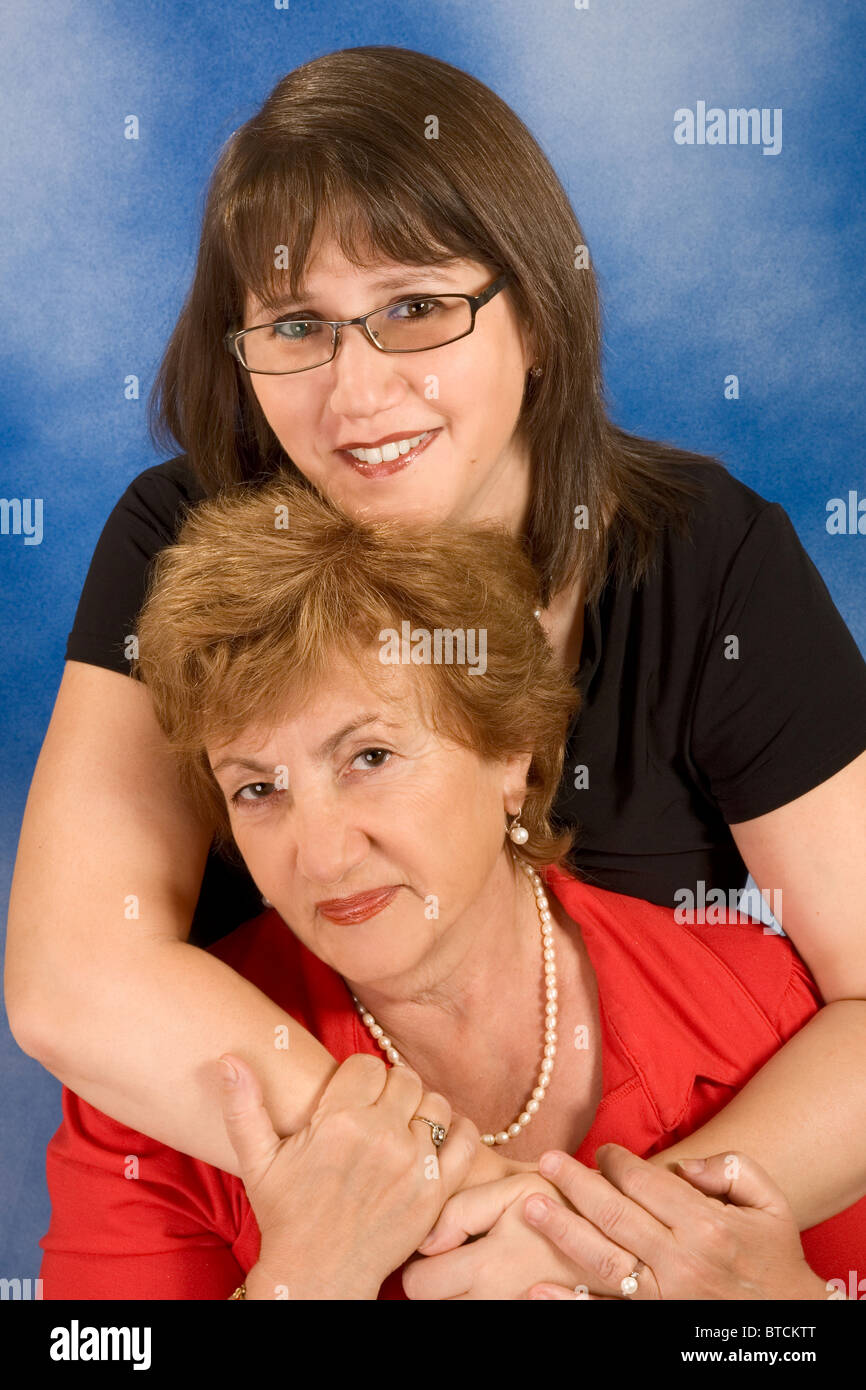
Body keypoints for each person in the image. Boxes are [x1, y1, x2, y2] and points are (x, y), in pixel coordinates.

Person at [8, 47, 866, 1232]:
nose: (356, 396)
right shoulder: (184, 541)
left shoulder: (702, 558)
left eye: (415, 308)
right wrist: (450, 1203)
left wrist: (590, 1252)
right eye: (298, 325)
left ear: (536, 316)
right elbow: (72, 974)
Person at [39, 481, 861, 1300]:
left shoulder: (767, 1013)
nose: (321, 857)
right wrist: (303, 1281)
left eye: (369, 759)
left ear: (514, 754)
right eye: (257, 790)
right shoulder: (153, 1098)